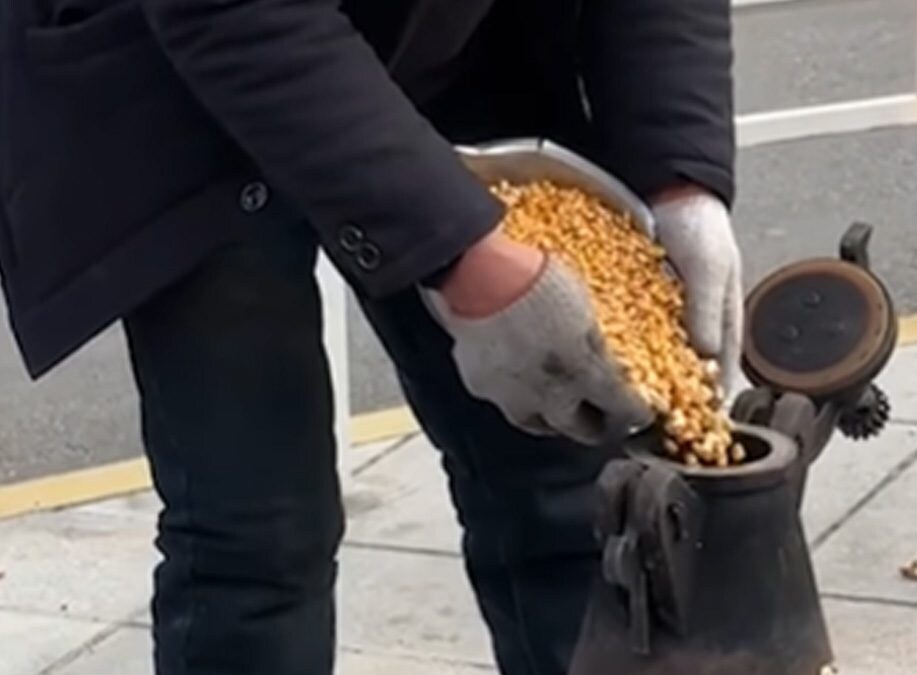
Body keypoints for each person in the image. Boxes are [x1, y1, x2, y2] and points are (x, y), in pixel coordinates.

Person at [0, 0, 742, 673]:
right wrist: (460, 254)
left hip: (439, 54)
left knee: (561, 479)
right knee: (258, 539)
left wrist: (680, 178)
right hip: (179, 83)